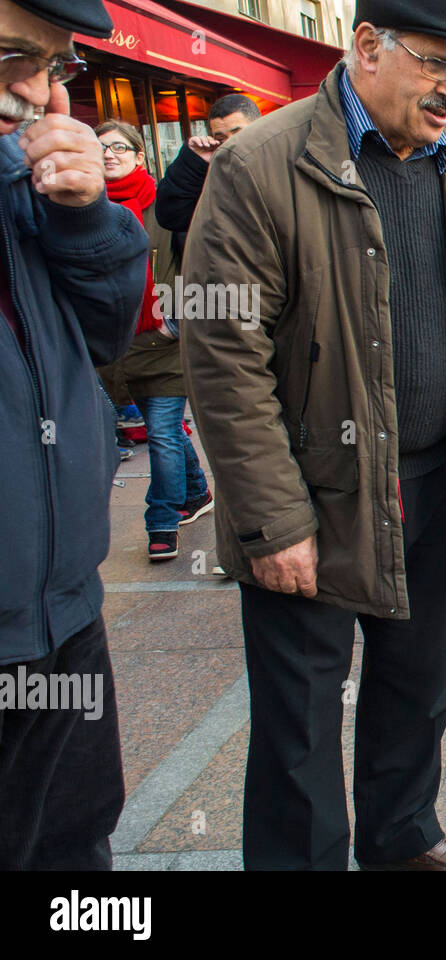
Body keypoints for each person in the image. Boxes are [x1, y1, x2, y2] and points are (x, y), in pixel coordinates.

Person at [181, 0, 446, 871]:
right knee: (300, 715)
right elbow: (225, 358)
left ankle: (401, 836)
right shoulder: (262, 163)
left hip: (438, 477)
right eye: (436, 65)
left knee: (418, 688)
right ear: (367, 46)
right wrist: (274, 520)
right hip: (316, 494)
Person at [0, 0, 149, 870]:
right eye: (14, 56)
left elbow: (108, 334)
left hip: (63, 598)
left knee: (76, 840)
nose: (35, 90)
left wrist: (87, 215)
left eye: (55, 66)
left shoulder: (27, 182)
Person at [94, 120, 212, 561]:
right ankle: (198, 492)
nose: (109, 154)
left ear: (140, 156)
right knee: (166, 435)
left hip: (162, 345)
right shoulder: (84, 208)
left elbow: (198, 262)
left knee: (162, 432)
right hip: (113, 349)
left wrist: (175, 323)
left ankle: (161, 522)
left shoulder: (165, 203)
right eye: (100, 147)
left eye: (119, 147)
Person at [153, 93, 261, 264]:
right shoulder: (210, 175)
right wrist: (192, 162)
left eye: (239, 133)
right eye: (221, 138)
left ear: (260, 127)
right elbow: (171, 216)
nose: (231, 143)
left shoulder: (283, 162)